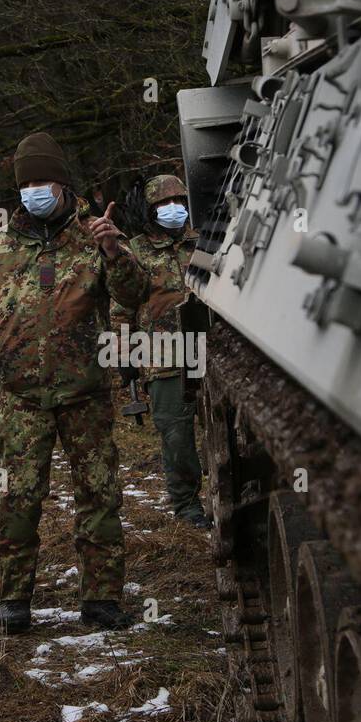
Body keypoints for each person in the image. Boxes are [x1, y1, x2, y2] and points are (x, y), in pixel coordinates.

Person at [0, 132, 149, 635]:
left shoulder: (95, 236)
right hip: (21, 398)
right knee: (18, 501)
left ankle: (102, 601)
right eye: (26, 183)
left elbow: (134, 294)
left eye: (43, 181)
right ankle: (14, 601)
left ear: (64, 185)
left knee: (98, 496)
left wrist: (114, 250)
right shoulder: (4, 245)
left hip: (84, 395)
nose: (34, 190)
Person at [112, 175, 210, 527]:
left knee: (224, 431)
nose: (173, 209)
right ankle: (187, 507)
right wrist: (124, 357)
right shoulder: (134, 250)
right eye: (163, 204)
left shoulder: (205, 241)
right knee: (176, 437)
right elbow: (121, 307)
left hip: (210, 352)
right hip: (162, 357)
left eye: (179, 201)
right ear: (151, 211)